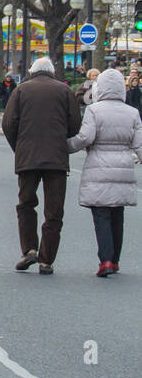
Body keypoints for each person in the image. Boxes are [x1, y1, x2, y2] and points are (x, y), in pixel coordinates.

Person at [1, 56, 82, 274]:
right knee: (54, 210)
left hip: (28, 157)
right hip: (56, 158)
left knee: (26, 203)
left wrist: (19, 147)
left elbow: (8, 123)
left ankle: (29, 249)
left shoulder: (21, 91)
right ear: (52, 73)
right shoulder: (64, 91)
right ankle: (47, 259)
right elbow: (75, 125)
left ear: (32, 71)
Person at [67, 68, 142, 277]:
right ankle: (115, 259)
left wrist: (65, 146)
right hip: (123, 167)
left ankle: (106, 259)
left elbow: (85, 138)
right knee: (118, 215)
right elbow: (139, 145)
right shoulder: (132, 112)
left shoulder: (94, 110)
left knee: (101, 215)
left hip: (98, 166)